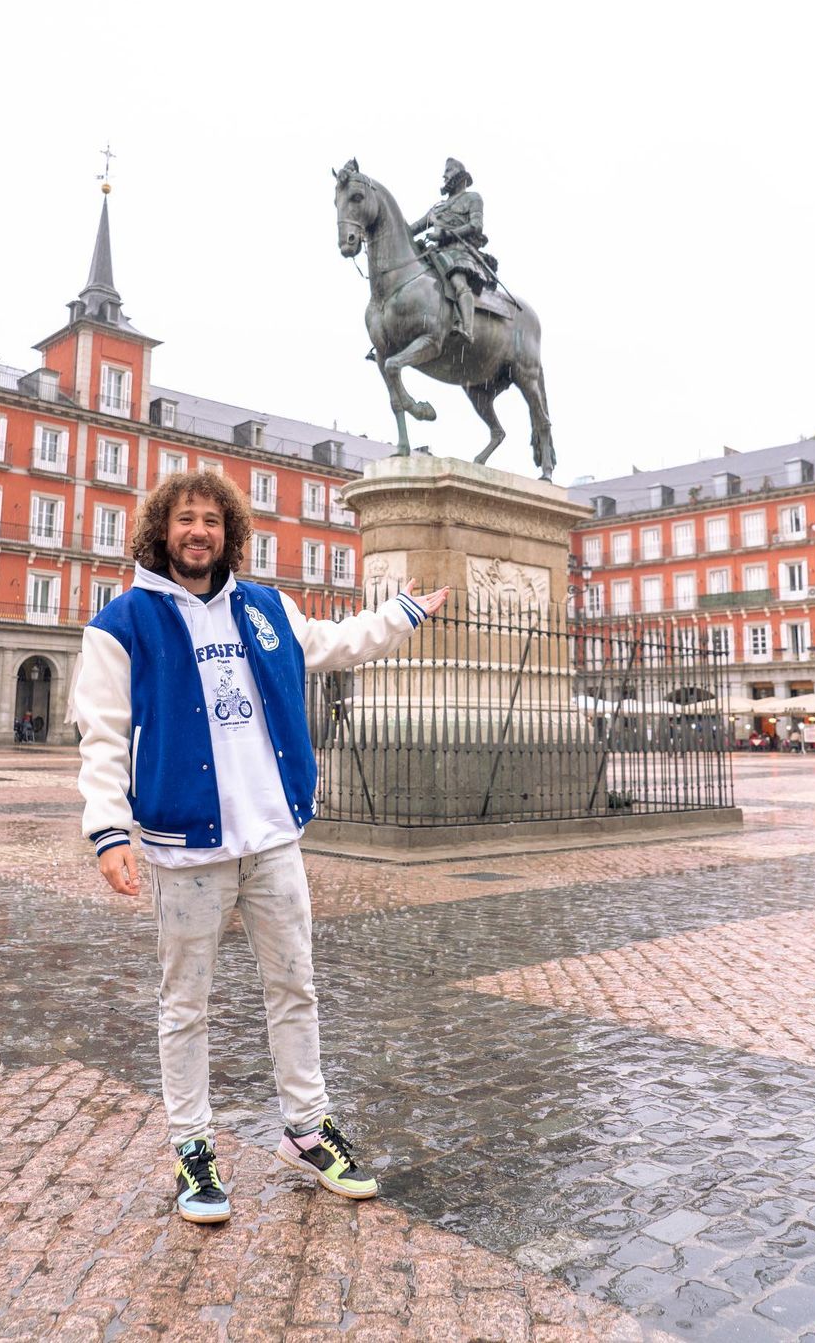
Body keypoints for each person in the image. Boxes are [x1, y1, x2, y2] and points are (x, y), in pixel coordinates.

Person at [76, 472, 447, 1226]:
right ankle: (192, 1148)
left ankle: (306, 1133)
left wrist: (401, 614)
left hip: (274, 839)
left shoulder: (268, 608)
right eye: (185, 520)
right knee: (186, 1005)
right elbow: (103, 736)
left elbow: (338, 644)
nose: (199, 532)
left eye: (212, 521)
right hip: (188, 849)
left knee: (296, 987)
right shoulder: (122, 624)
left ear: (229, 534)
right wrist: (108, 829)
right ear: (162, 530)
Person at [410, 157, 496, 343]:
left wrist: (446, 236)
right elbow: (414, 228)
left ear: (460, 176)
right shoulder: (438, 208)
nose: (444, 175)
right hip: (436, 254)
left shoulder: (473, 198)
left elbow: (476, 225)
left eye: (448, 171)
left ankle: (467, 329)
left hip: (460, 252)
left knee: (458, 282)